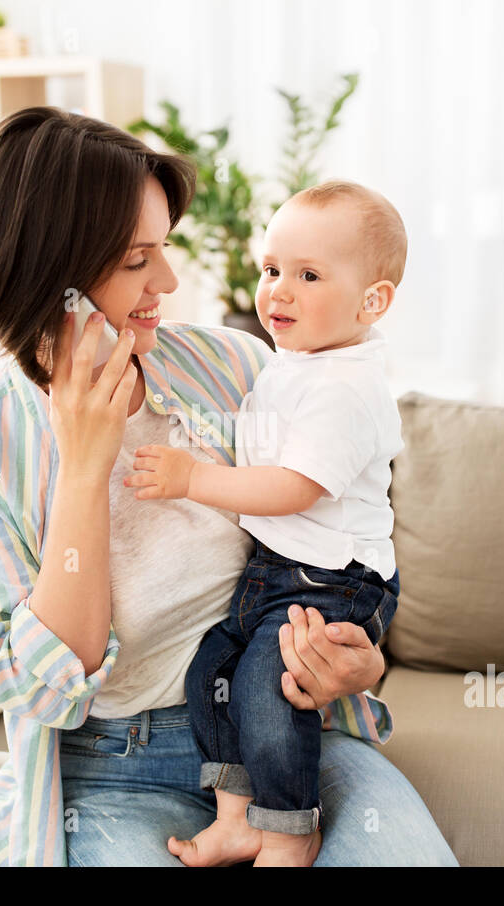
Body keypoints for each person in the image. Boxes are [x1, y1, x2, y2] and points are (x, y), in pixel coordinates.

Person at [0, 105, 459, 866]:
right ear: (53, 273)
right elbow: (45, 690)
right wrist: (84, 464)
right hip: (110, 775)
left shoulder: (233, 369)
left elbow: (339, 541)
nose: (169, 281)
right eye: (139, 259)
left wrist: (363, 661)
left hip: (291, 744)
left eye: (163, 249)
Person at [128, 180, 407, 866]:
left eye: (308, 276)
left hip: (332, 578)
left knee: (265, 687)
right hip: (276, 573)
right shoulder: (293, 362)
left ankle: (289, 829)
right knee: (212, 672)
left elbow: (295, 486)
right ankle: (236, 814)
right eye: (272, 269)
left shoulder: (346, 386)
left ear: (372, 301)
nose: (278, 291)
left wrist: (193, 478)